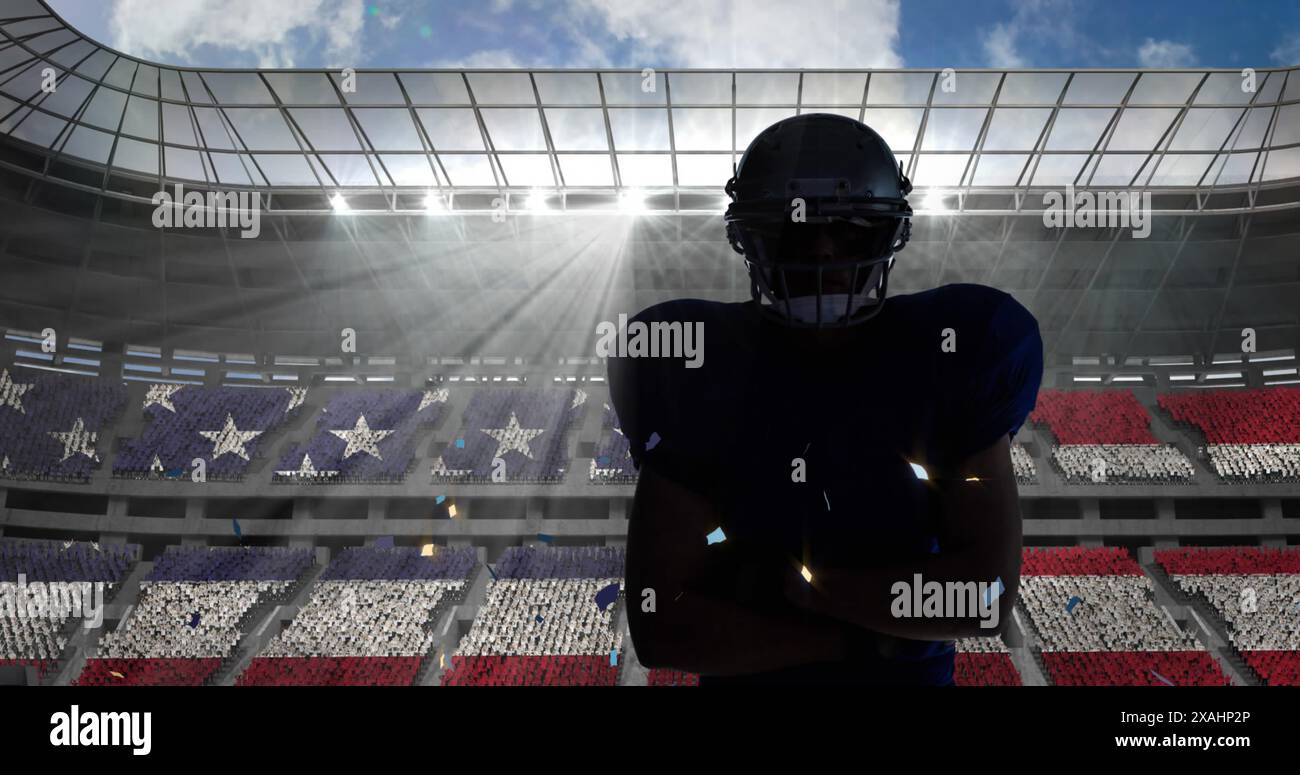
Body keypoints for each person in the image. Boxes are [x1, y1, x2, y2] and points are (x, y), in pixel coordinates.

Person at [609, 113, 1044, 686]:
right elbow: (659, 623)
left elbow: (983, 595)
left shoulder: (959, 349)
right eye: (795, 229)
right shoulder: (693, 363)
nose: (821, 251)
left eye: (851, 227)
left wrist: (806, 593)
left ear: (890, 234)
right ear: (751, 237)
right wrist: (855, 634)